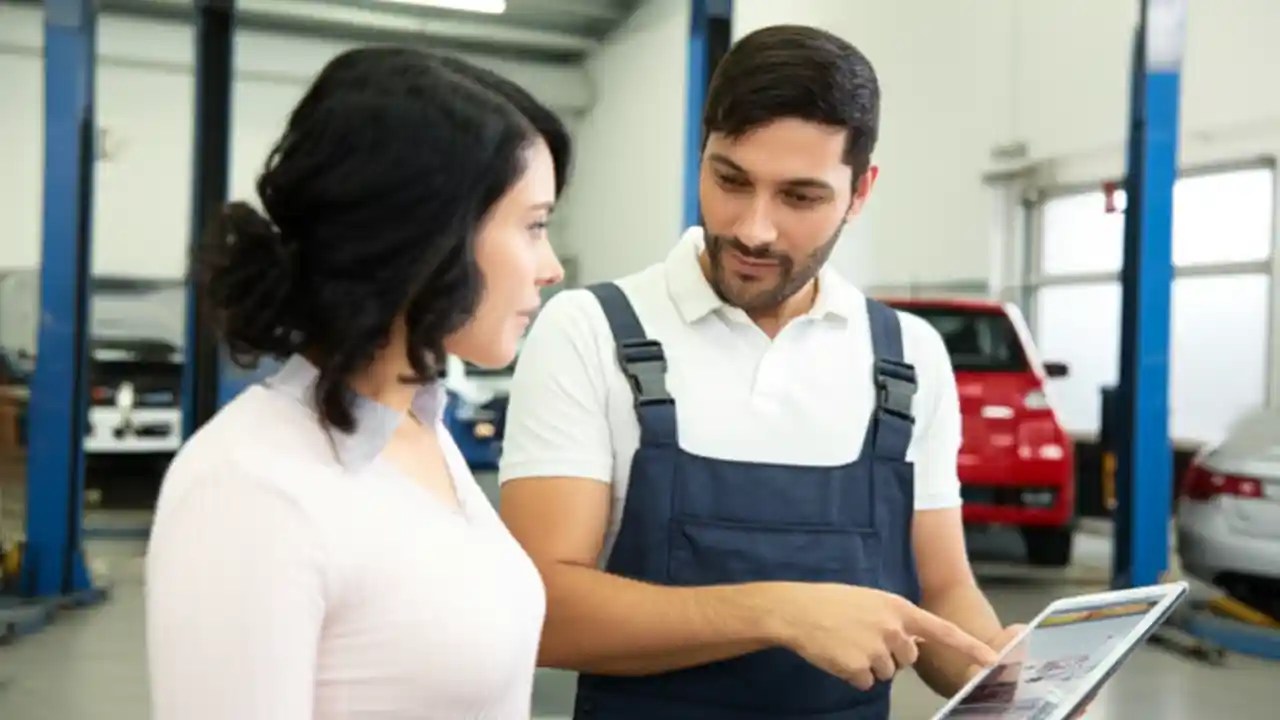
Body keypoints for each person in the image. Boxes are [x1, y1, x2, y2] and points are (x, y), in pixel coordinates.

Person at [497, 24, 1018, 720]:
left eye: (799, 197)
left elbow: (941, 592)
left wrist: (1000, 670)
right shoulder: (591, 333)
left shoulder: (908, 358)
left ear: (861, 191)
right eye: (730, 180)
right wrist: (780, 613)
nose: (753, 229)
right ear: (703, 154)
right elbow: (543, 612)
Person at [145, 46, 569, 719]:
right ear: (429, 235)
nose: (551, 267)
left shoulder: (419, 430)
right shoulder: (251, 487)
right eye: (534, 227)